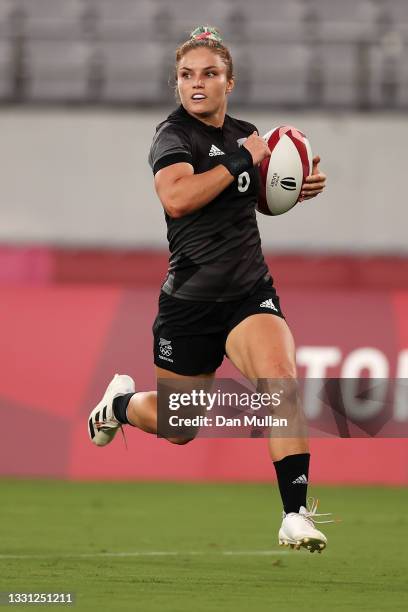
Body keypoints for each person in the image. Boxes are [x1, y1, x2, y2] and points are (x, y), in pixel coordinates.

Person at [88, 25, 332, 553]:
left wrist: (294, 188)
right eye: (185, 75)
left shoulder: (246, 134)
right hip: (190, 302)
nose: (196, 84)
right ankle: (119, 405)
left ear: (230, 82)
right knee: (181, 427)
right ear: (176, 83)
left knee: (281, 383)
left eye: (209, 74)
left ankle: (295, 514)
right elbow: (178, 198)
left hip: (249, 293)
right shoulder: (173, 137)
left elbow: (256, 197)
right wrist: (243, 159)